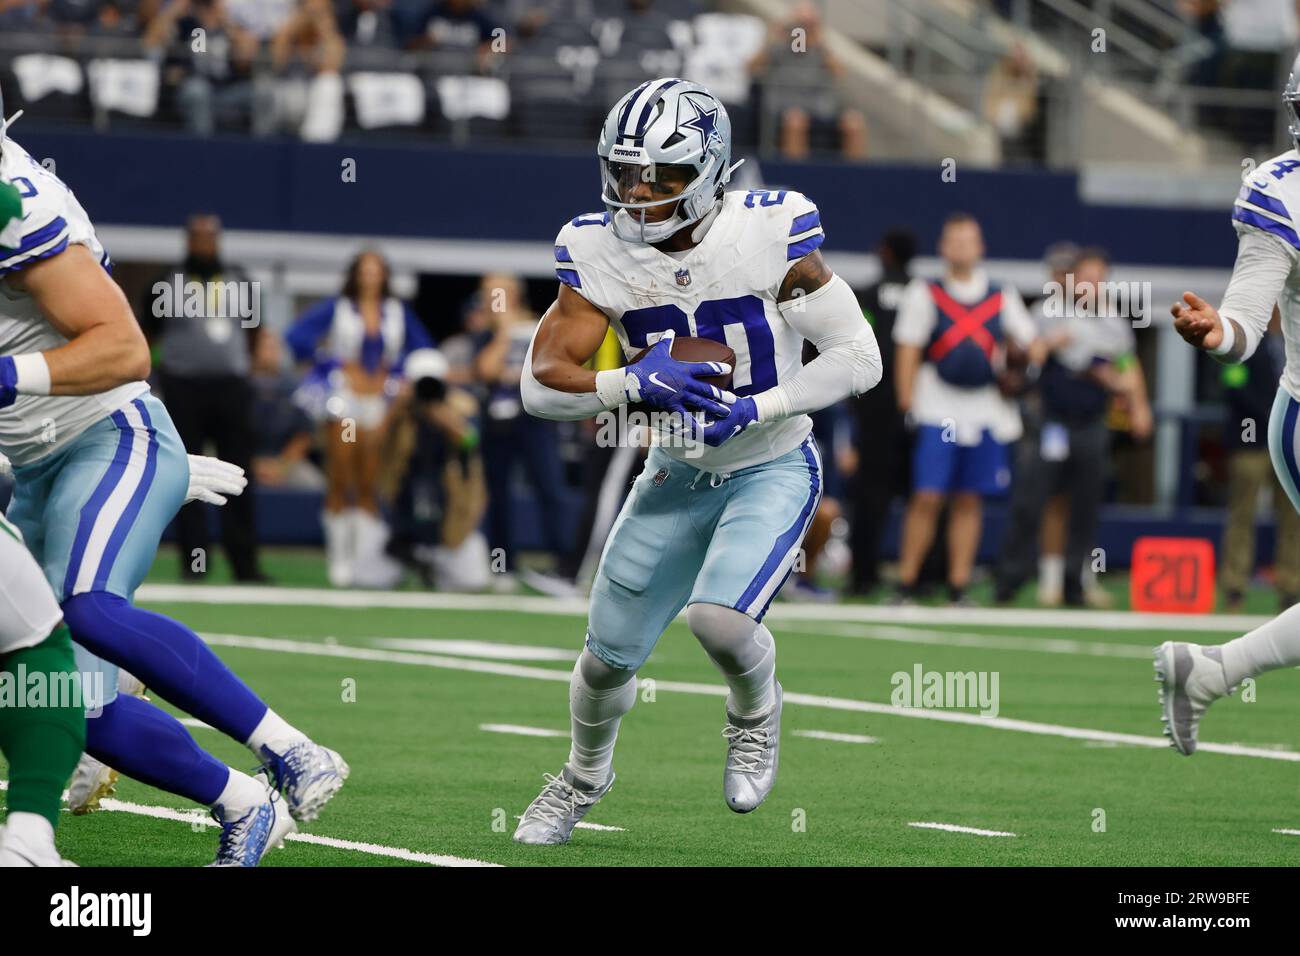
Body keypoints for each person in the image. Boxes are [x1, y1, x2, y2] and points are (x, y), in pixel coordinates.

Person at [513, 78, 881, 844]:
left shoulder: (770, 231)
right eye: (628, 172)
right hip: (673, 473)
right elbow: (539, 387)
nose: (641, 192)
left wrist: (761, 405)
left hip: (771, 462)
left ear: (711, 171)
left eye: (664, 176)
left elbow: (860, 356)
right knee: (605, 661)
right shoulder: (595, 248)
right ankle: (583, 776)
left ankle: (755, 712)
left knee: (717, 621)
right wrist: (626, 384)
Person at [0, 107, 348, 866]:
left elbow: (124, 349)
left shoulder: (17, 198)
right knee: (55, 703)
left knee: (89, 608)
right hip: (27, 468)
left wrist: (8, 375)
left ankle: (289, 747)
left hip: (105, 436)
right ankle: (244, 802)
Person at [1157, 50, 1300, 755]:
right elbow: (1246, 318)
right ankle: (1214, 670)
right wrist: (1220, 334)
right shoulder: (1283, 192)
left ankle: (1212, 670)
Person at [891, 212, 1043, 605]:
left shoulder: (1000, 294)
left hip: (984, 408)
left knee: (970, 498)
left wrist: (1020, 369)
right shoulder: (925, 292)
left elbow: (1029, 343)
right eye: (953, 240)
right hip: (936, 404)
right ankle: (906, 582)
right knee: (927, 495)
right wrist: (906, 400)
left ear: (980, 248)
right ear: (943, 247)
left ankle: (958, 586)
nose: (961, 248)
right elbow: (908, 349)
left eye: (968, 241)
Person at [993, 247, 1152, 606]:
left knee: (1086, 504)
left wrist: (1136, 403)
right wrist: (1049, 344)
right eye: (1086, 278)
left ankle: (1074, 584)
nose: (1092, 286)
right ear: (1072, 280)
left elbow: (1127, 367)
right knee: (1032, 501)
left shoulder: (1114, 322)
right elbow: (1021, 358)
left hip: (1092, 423)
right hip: (1050, 421)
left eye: (1099, 279)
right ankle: (1010, 581)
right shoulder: (1047, 313)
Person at [286, 248, 433, 587]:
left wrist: (397, 374)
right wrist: (332, 362)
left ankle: (363, 560)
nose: (370, 277)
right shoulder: (337, 308)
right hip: (344, 399)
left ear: (384, 276)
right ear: (355, 275)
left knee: (370, 480)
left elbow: (423, 349)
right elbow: (296, 338)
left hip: (381, 401)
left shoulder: (396, 312)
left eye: (376, 271)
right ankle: (338, 558)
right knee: (341, 474)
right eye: (364, 271)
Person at [145, 213, 268, 583]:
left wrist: (248, 370)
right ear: (187, 241)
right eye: (197, 237)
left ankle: (245, 565)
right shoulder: (166, 283)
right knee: (186, 473)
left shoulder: (238, 280)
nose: (204, 244)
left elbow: (255, 330)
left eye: (210, 237)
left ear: (218, 241)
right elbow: (147, 335)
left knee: (238, 474)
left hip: (230, 388)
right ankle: (194, 562)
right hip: (184, 388)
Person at [473, 272, 573, 596]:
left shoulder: (539, 323)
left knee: (550, 487)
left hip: (536, 417)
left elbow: (551, 367)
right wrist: (504, 331)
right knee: (498, 493)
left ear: (515, 294)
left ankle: (564, 564)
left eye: (499, 292)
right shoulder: (483, 331)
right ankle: (503, 565)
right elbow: (486, 370)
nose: (494, 299)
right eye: (489, 293)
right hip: (498, 422)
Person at [845, 228, 915, 595]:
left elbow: (857, 344)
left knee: (869, 495)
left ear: (884, 252)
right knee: (924, 495)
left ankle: (862, 576)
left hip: (873, 407)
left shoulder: (866, 294)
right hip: (920, 406)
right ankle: (925, 576)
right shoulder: (923, 294)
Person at [1219, 312, 1300, 610]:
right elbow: (1233, 383)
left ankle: (1290, 588)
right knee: (1242, 513)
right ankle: (1234, 586)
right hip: (1250, 441)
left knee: (1294, 515)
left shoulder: (1296, 341)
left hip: (1292, 442)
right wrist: (1276, 418)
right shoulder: (1247, 341)